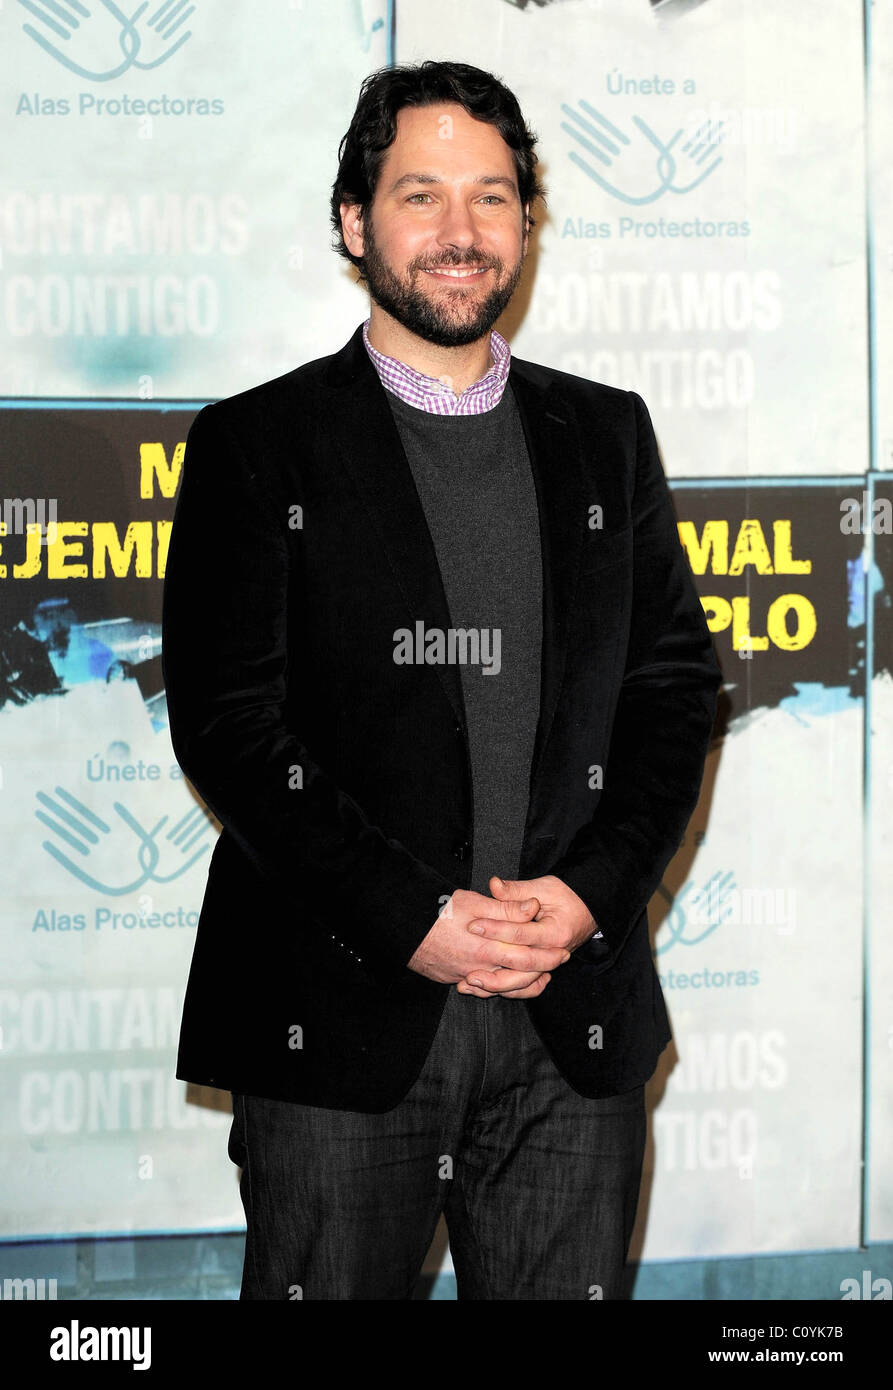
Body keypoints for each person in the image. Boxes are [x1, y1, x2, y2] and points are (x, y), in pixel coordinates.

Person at [161, 59, 722, 1301]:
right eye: (421, 196)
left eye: (491, 196)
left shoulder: (607, 432)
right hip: (340, 1010)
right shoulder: (256, 446)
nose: (461, 234)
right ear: (353, 223)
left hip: (568, 1012)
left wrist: (587, 893)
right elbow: (230, 725)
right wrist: (414, 918)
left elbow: (672, 690)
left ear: (527, 222)